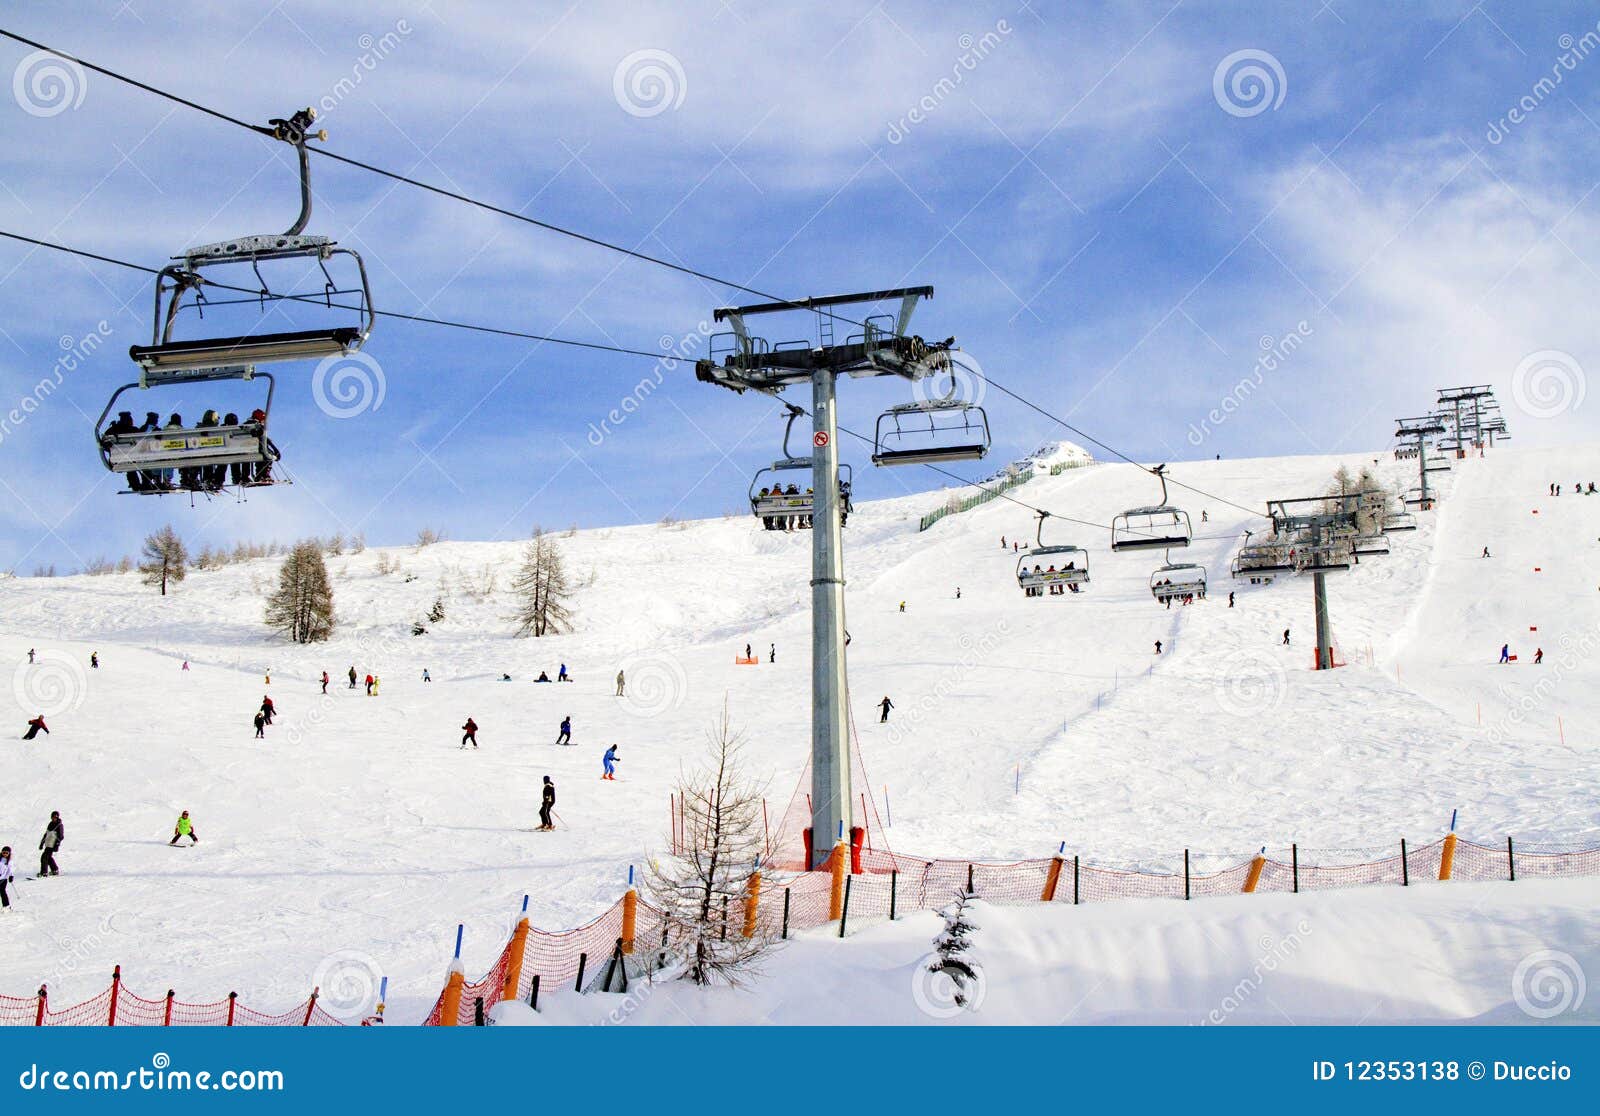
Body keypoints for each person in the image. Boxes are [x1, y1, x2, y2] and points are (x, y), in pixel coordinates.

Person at [38, 812, 62, 877]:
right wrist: (41, 843)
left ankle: (44, 872)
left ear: (57, 817)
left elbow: (61, 836)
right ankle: (55, 870)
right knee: (48, 857)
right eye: (53, 817)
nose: (54, 818)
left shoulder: (59, 825)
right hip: (48, 844)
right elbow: (46, 834)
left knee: (44, 857)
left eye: (55, 817)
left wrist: (56, 844)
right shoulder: (50, 824)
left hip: (52, 845)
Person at [0, 846, 12, 910]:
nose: (5, 854)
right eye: (3, 852)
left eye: (6, 853)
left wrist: (11, 876)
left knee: (2, 891)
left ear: (9, 853)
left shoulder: (9, 861)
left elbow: (10, 870)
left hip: (3, 879)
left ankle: (6, 906)